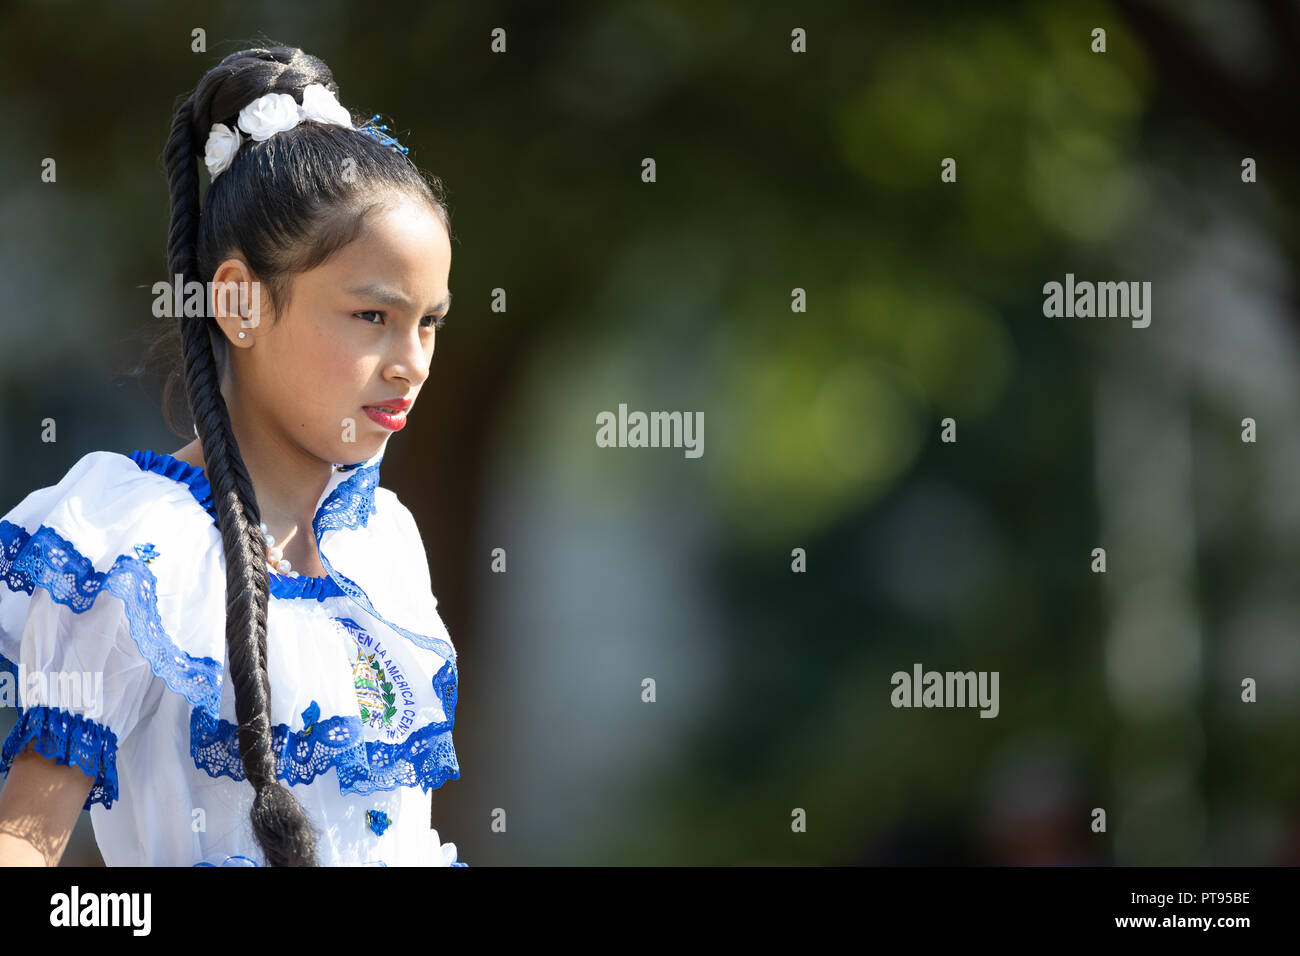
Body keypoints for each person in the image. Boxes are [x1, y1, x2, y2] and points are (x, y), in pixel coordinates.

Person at [0, 45, 464, 867]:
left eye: (429, 321)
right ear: (239, 303)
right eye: (371, 317)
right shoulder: (142, 550)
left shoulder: (385, 540)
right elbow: (21, 843)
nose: (411, 362)